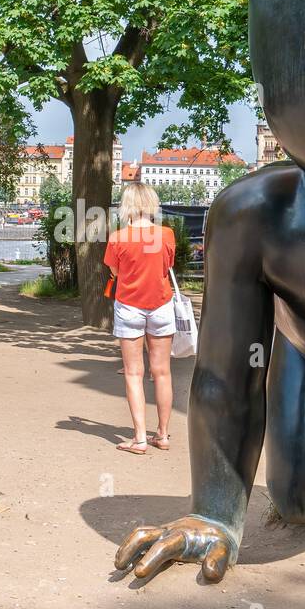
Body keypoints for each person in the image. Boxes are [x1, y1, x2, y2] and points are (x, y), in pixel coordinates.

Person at [104, 183, 176, 454]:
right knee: (162, 372)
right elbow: (167, 267)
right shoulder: (166, 235)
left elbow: (115, 270)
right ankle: (163, 434)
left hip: (130, 306)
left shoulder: (118, 237)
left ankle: (140, 439)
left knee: (134, 373)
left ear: (128, 205)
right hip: (161, 305)